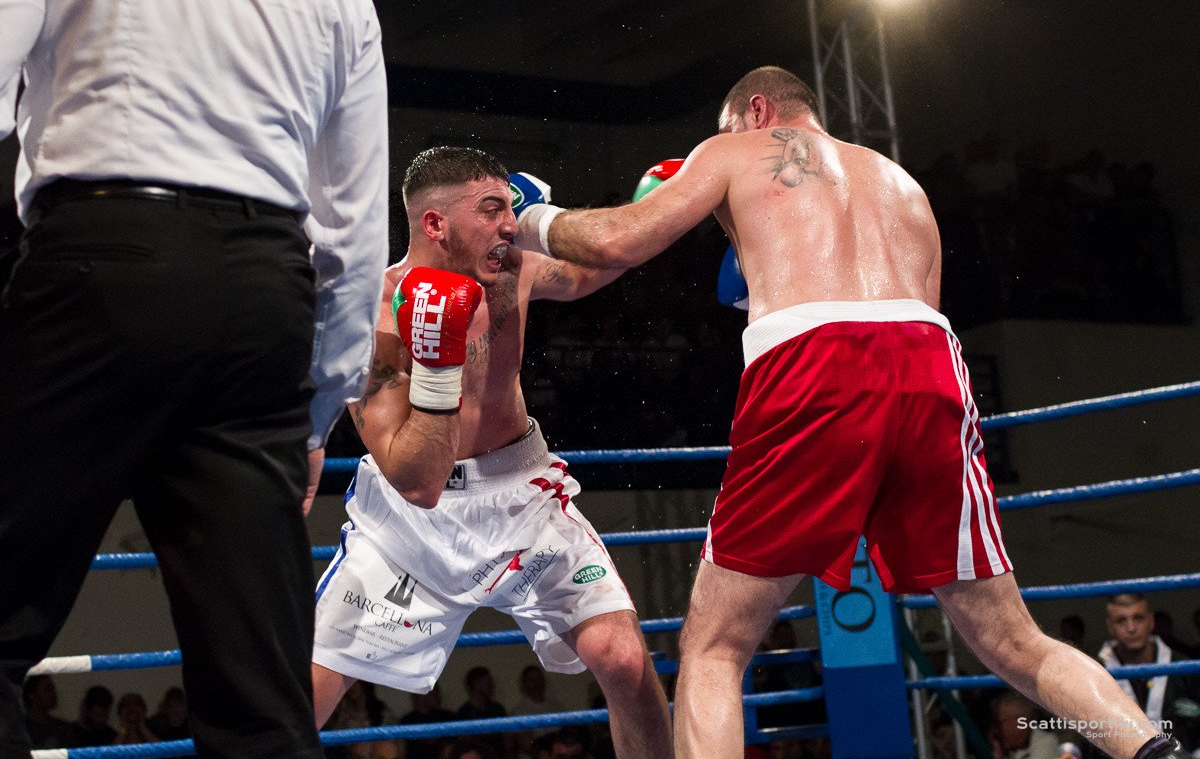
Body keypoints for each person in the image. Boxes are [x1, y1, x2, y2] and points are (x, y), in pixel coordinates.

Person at [511, 65, 1188, 759]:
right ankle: (1155, 750)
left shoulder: (735, 149)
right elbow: (911, 315)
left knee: (716, 648)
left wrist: (523, 217)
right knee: (1015, 641)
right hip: (930, 364)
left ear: (757, 110)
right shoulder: (900, 181)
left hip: (812, 365)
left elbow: (615, 241)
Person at [0, 0, 389, 756]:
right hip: (264, 299)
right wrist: (315, 417)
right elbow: (353, 223)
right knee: (260, 697)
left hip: (103, 259)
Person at [310, 146, 673, 758]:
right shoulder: (373, 315)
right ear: (435, 224)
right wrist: (436, 367)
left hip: (525, 500)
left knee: (625, 661)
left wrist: (654, 204)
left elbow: (593, 269)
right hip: (408, 528)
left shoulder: (514, 270)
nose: (512, 223)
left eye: (510, 206)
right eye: (491, 209)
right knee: (301, 701)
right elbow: (414, 481)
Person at [1101, 595, 1200, 750]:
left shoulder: (1184, 668)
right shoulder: (1095, 671)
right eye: (1121, 620)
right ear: (1110, 626)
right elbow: (1078, 723)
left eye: (1138, 618)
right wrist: (1070, 750)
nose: (1131, 628)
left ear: (1151, 621)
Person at [21, 675, 70, 749]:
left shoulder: (63, 728)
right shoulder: (20, 730)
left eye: (53, 689)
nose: (54, 693)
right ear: (33, 696)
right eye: (48, 689)